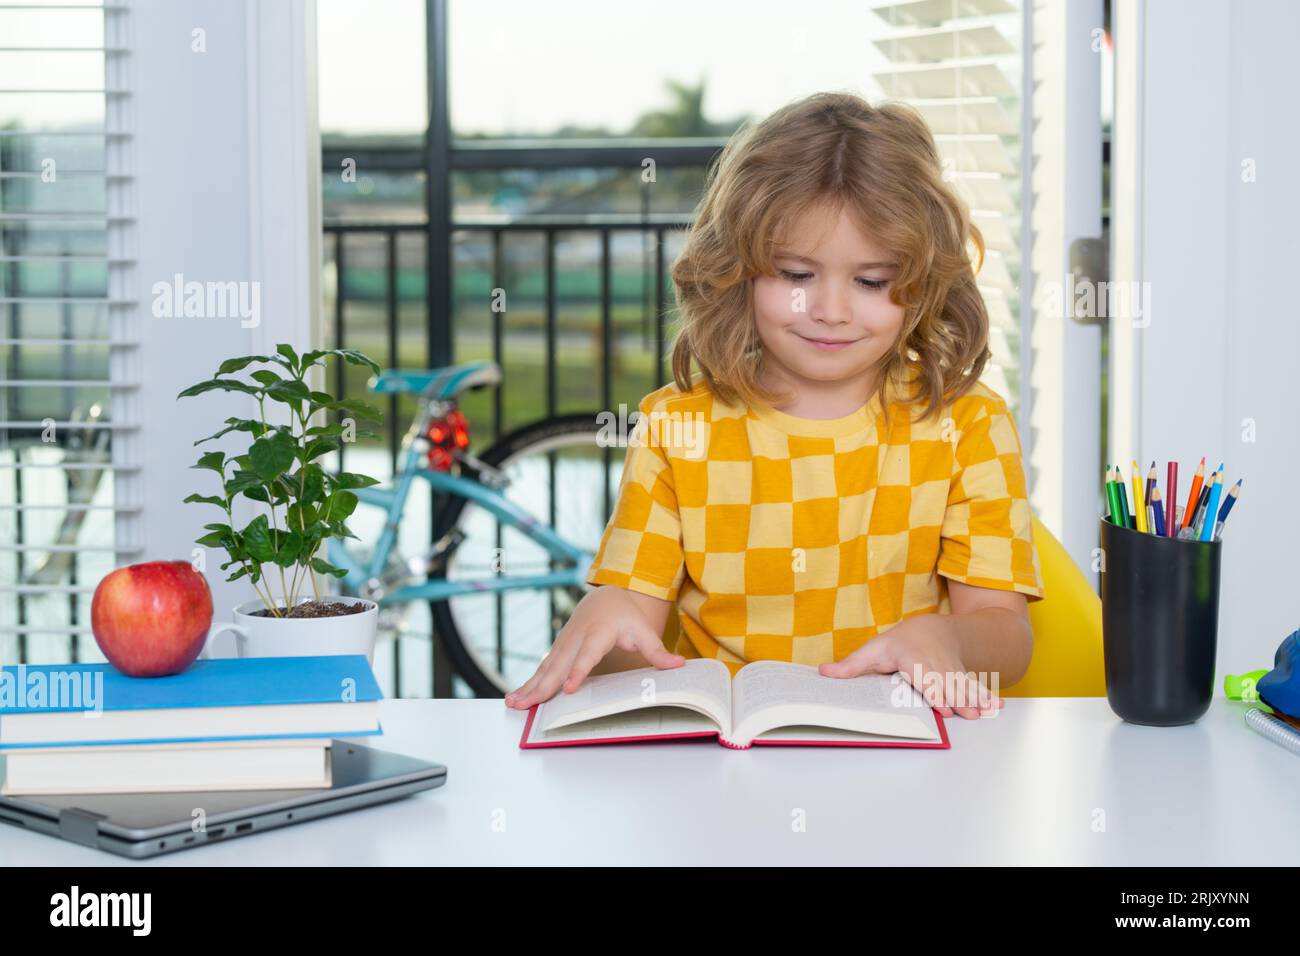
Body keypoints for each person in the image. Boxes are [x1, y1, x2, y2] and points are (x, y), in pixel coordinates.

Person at [506, 91, 1044, 720]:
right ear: (737, 270)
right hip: (726, 765)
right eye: (795, 275)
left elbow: (1006, 637)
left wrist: (949, 637)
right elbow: (633, 633)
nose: (830, 310)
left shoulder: (969, 423)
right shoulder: (677, 426)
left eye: (872, 281)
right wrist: (611, 623)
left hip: (910, 756)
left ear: (924, 284)